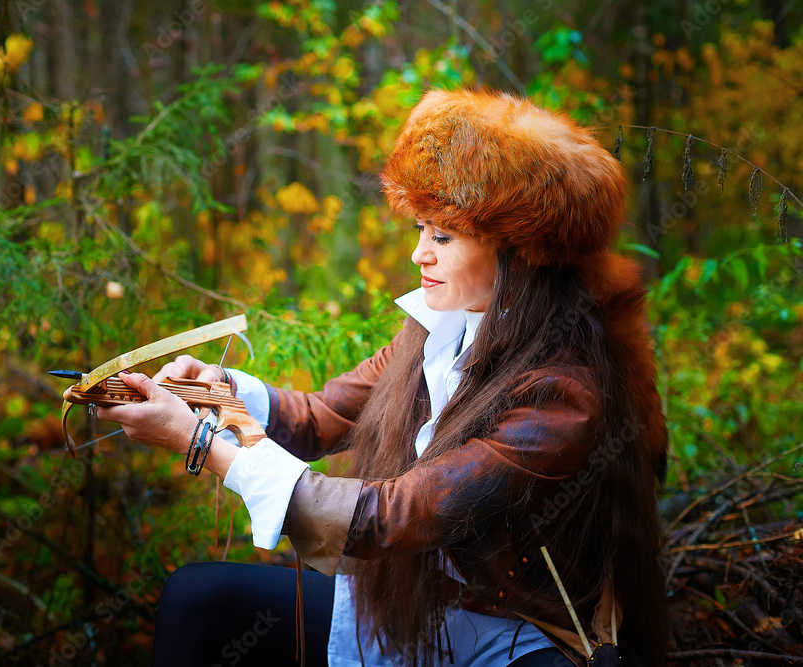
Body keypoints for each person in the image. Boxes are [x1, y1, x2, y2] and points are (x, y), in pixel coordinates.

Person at [96, 87, 670, 667]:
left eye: (442, 235)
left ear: (517, 248)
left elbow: (388, 519)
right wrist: (214, 396)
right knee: (200, 599)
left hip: (513, 637)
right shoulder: (439, 329)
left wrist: (196, 444)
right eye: (420, 229)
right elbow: (322, 417)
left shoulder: (563, 394)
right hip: (413, 608)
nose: (420, 253)